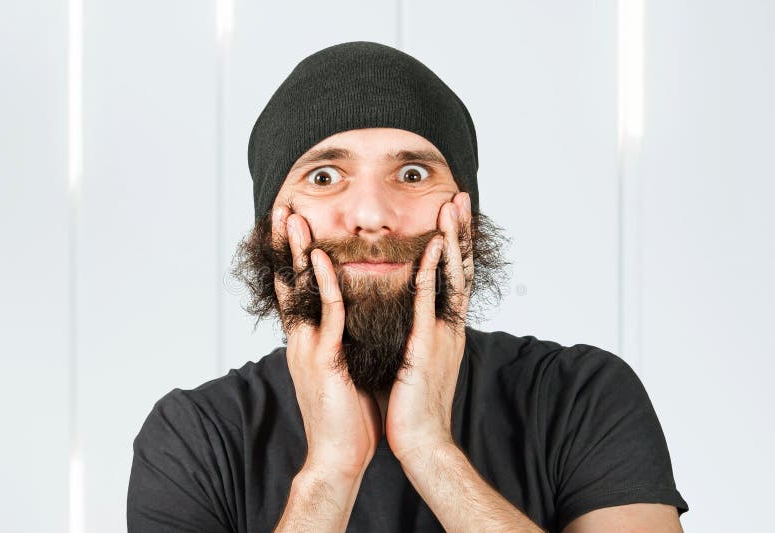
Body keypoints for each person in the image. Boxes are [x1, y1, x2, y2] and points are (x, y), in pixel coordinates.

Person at [127, 41, 689, 532]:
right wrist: (331, 470)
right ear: (271, 221)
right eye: (325, 177)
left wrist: (431, 451)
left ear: (464, 214)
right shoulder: (194, 436)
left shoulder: (580, 395)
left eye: (413, 173)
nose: (372, 215)